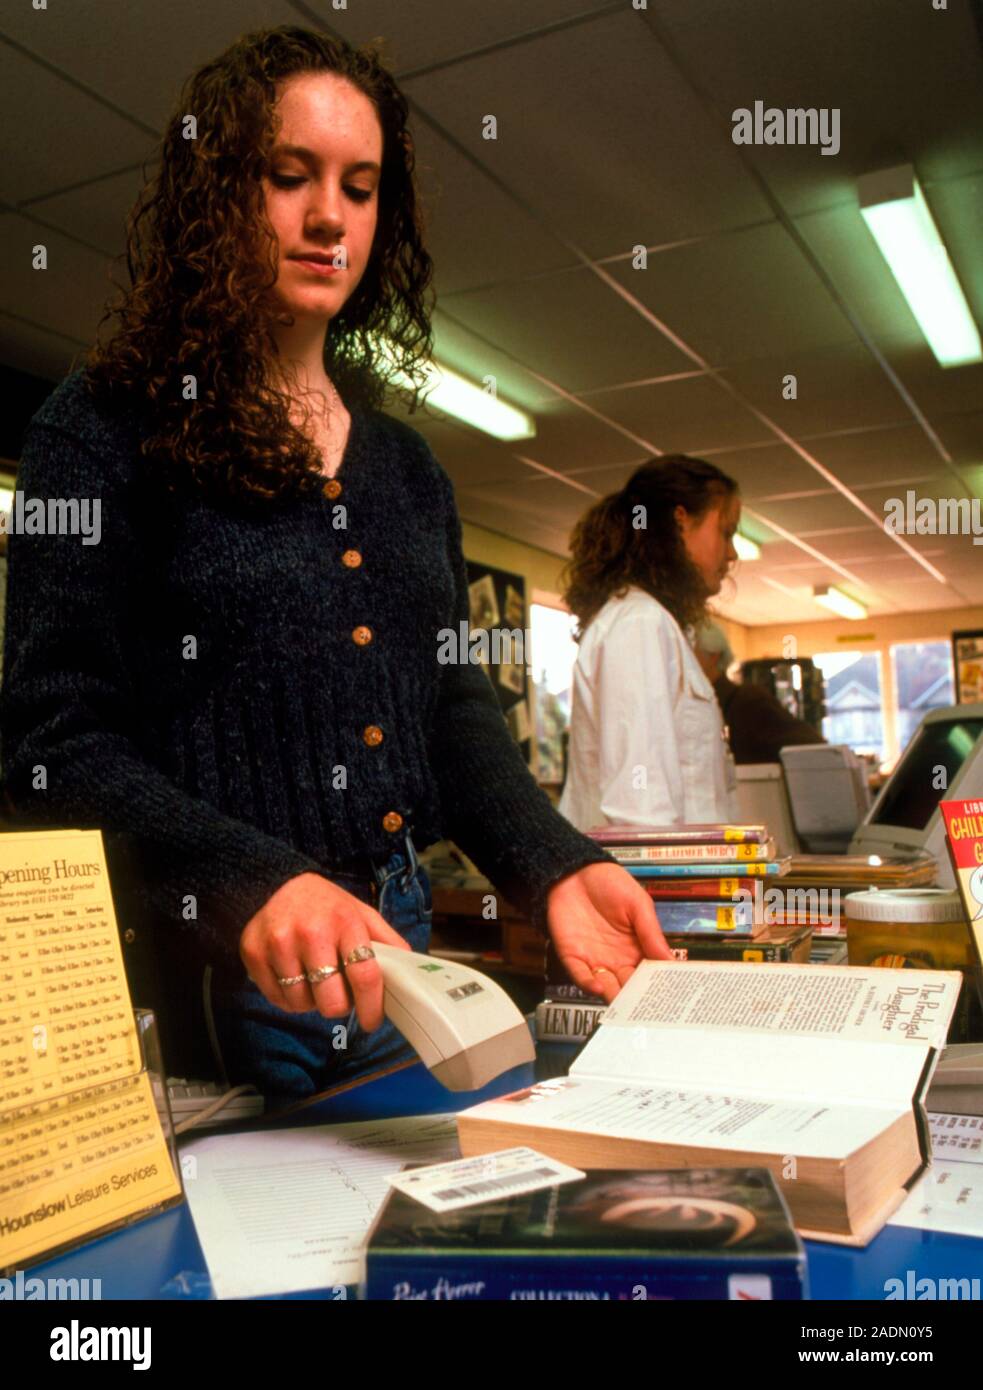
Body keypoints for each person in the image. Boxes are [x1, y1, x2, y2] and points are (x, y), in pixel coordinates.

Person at [0, 26, 671, 1100]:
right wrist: (246, 879)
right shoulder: (102, 429)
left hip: (402, 948)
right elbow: (48, 743)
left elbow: (449, 709)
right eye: (288, 176)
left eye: (359, 189)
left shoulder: (408, 468)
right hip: (215, 971)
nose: (328, 217)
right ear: (216, 193)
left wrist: (552, 863)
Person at [558, 455, 740, 831]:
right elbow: (640, 816)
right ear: (680, 521)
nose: (732, 553)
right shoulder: (640, 624)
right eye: (726, 531)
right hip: (655, 887)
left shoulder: (658, 624)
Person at [694, 622, 825, 765]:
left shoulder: (746, 703)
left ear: (713, 656)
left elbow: (812, 746)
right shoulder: (704, 703)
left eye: (691, 653)